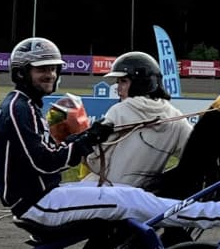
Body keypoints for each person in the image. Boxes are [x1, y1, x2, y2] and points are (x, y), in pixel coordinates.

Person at [0, 38, 220, 249]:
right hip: (39, 203)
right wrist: (84, 140)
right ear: (22, 73)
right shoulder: (18, 108)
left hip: (40, 198)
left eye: (53, 68)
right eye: (41, 69)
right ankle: (218, 213)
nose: (50, 74)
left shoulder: (22, 105)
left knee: (123, 200)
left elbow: (62, 160)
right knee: (126, 199)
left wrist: (83, 141)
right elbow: (47, 163)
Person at [81, 51, 193, 187]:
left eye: (123, 81)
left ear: (140, 83)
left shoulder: (119, 111)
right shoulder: (176, 117)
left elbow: (98, 165)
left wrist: (83, 149)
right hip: (145, 198)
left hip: (110, 195)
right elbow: (197, 156)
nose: (118, 89)